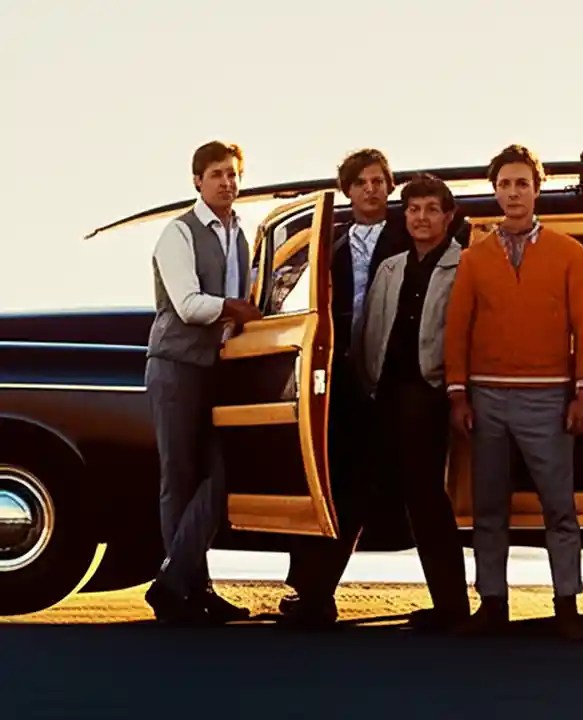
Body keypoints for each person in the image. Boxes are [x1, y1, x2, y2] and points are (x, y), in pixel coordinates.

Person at [444, 144, 583, 640]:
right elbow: (457, 330)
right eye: (505, 185)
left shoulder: (569, 252)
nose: (513, 193)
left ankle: (567, 606)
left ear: (536, 190)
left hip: (548, 397)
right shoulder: (474, 258)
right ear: (495, 191)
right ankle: (492, 604)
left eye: (522, 184)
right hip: (487, 397)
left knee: (559, 506)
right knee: (489, 508)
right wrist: (458, 394)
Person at [278, 148, 410, 627]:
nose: (371, 190)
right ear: (347, 191)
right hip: (335, 377)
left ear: (389, 187)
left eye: (378, 181)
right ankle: (308, 589)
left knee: (364, 486)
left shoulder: (408, 235)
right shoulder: (328, 244)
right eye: (361, 182)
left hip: (391, 375)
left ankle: (317, 591)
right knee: (318, 479)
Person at [143, 140, 261, 624]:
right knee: (180, 478)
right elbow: (189, 305)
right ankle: (191, 591)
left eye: (233, 174)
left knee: (221, 475)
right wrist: (234, 308)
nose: (227, 182)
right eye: (217, 174)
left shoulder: (242, 237)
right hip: (176, 365)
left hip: (221, 370)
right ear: (197, 180)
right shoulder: (179, 233)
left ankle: (176, 583)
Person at [355, 174, 471, 632]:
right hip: (384, 392)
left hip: (430, 392)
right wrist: (368, 382)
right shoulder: (391, 268)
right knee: (355, 486)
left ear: (448, 216)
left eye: (431, 209)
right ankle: (315, 597)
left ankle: (451, 606)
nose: (422, 218)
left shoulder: (465, 266)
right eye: (414, 209)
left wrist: (455, 389)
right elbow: (370, 328)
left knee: (426, 496)